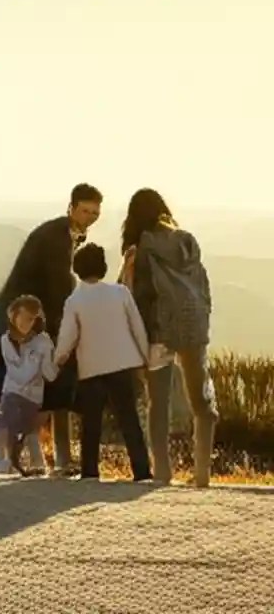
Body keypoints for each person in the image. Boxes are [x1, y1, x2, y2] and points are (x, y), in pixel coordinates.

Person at [0, 183, 103, 474]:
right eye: (85, 210)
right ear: (71, 207)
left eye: (95, 212)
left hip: (24, 316)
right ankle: (23, 458)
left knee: (27, 384)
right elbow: (58, 288)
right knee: (27, 384)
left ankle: (25, 458)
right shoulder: (57, 238)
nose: (90, 217)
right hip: (19, 319)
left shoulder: (64, 234)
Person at [119, 188, 219, 487]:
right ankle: (203, 474)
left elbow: (132, 294)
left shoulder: (140, 249)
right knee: (201, 400)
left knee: (157, 402)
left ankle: (162, 473)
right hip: (193, 328)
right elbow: (203, 286)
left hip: (159, 330)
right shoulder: (187, 241)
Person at [54, 243, 153, 481]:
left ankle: (90, 472)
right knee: (129, 419)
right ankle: (141, 472)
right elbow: (137, 326)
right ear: (103, 267)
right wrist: (145, 358)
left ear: (76, 269)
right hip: (123, 363)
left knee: (91, 422)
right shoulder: (120, 293)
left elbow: (67, 337)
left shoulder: (74, 301)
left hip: (92, 368)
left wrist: (58, 358)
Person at [0, 295, 59, 476]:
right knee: (2, 424)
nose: (27, 323)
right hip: (12, 391)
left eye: (31, 319)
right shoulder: (6, 340)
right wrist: (35, 360)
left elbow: (49, 374)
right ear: (14, 316)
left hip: (32, 395)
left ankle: (25, 463)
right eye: (24, 317)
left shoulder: (42, 341)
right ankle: (2, 461)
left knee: (23, 428)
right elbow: (17, 373)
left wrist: (52, 357)